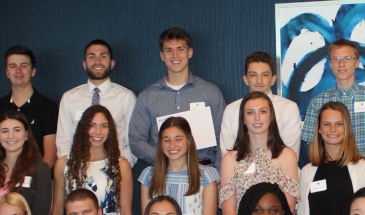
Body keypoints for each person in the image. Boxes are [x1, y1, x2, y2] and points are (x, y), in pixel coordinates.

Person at [129, 27, 226, 169]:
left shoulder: (210, 92)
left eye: (180, 49)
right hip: (163, 173)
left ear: (190, 52)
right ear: (162, 55)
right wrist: (164, 160)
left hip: (203, 172)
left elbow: (222, 138)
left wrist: (217, 175)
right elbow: (136, 141)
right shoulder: (147, 97)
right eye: (169, 50)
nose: (175, 55)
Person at [301, 39, 365, 166]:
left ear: (357, 63)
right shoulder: (317, 103)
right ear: (330, 64)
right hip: (329, 172)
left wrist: (360, 172)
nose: (341, 64)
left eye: (347, 58)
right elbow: (313, 146)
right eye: (336, 59)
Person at [218, 91, 301, 215]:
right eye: (250, 113)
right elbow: (228, 212)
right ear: (243, 119)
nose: (257, 118)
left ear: (271, 116)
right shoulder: (230, 159)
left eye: (262, 112)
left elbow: (288, 209)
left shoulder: (287, 155)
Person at [52, 106, 134, 215]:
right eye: (92, 125)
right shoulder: (64, 165)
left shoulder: (121, 166)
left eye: (104, 126)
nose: (98, 131)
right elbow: (57, 208)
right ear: (84, 128)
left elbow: (126, 212)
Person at [140, 117, 219, 215]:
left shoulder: (206, 176)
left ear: (188, 141)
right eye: (166, 140)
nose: (172, 145)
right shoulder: (149, 176)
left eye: (178, 139)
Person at [56, 39, 136, 163]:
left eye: (103, 56)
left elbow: (132, 143)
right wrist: (73, 168)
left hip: (114, 168)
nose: (97, 61)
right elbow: (63, 143)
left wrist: (117, 167)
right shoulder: (69, 98)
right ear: (84, 64)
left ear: (112, 63)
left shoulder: (126, 97)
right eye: (91, 56)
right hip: (77, 169)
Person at [0, 45, 58, 166]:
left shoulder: (48, 108)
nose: (18, 70)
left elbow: (50, 157)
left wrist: (31, 177)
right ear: (7, 72)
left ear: (33, 71)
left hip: (36, 176)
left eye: (24, 65)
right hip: (2, 176)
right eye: (13, 66)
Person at [220, 52, 302, 154]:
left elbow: (291, 154)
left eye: (265, 75)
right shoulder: (231, 110)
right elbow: (227, 153)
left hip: (280, 164)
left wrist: (263, 164)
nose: (259, 81)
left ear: (273, 79)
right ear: (246, 79)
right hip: (240, 165)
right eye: (253, 75)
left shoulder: (289, 108)